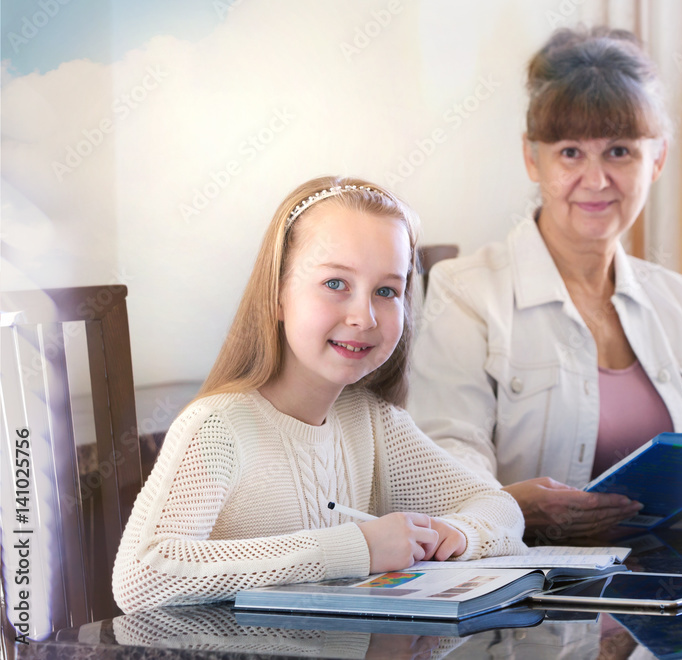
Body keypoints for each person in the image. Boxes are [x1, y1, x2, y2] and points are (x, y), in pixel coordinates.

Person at [408, 27, 682, 543]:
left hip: (669, 589)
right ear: (532, 159)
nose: (597, 179)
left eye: (620, 152)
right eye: (570, 153)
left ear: (657, 159)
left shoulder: (674, 298)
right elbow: (445, 460)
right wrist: (509, 507)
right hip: (534, 600)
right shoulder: (465, 291)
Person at [112, 176, 526, 613]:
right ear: (277, 295)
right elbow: (142, 575)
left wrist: (457, 535)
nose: (363, 317)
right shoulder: (219, 427)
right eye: (335, 284)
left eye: (387, 291)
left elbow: (498, 507)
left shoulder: (370, 420)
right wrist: (353, 549)